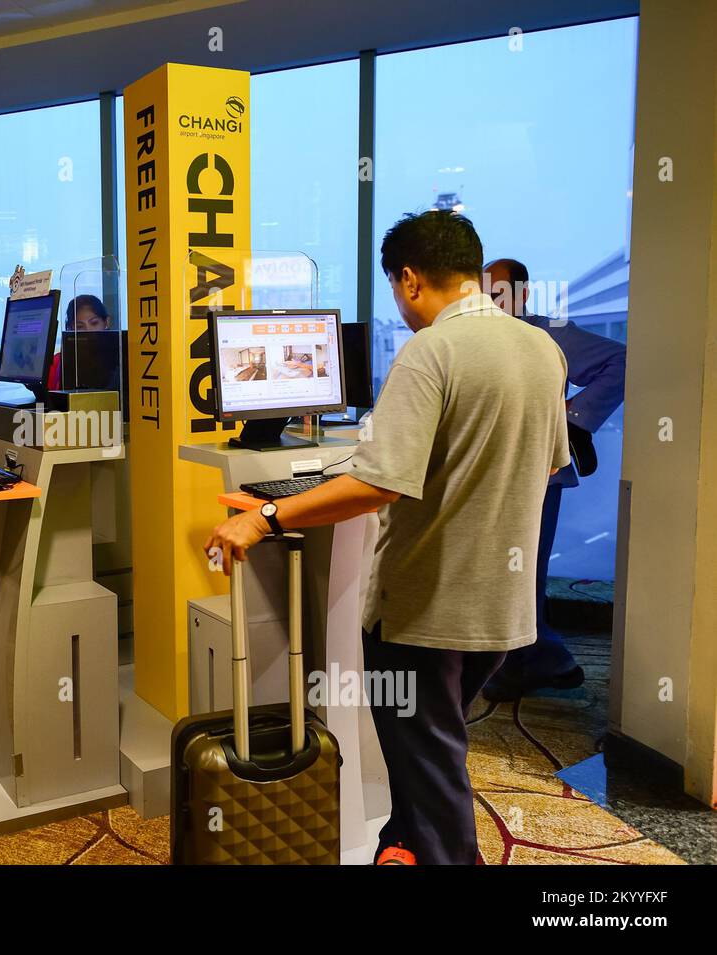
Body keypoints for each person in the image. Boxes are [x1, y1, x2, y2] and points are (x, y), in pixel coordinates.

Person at [204, 211, 569, 865]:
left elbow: (380, 484)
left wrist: (264, 518)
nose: (402, 308)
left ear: (409, 278)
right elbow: (543, 464)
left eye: (398, 292)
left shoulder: (432, 350)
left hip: (422, 613)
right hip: (502, 616)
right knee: (428, 753)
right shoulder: (542, 349)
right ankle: (396, 845)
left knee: (433, 779)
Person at [480, 257, 627, 701]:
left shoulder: (550, 332)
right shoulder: (477, 339)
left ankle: (544, 660)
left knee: (522, 572)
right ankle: (530, 658)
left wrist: (572, 418)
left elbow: (620, 363)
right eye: (482, 291)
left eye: (497, 292)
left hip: (536, 476)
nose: (488, 300)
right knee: (505, 573)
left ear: (522, 294)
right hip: (494, 475)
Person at [46, 294, 111, 390]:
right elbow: (42, 402)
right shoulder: (57, 362)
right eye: (80, 326)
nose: (88, 330)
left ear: (106, 322)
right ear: (71, 328)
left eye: (94, 323)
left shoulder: (122, 358)